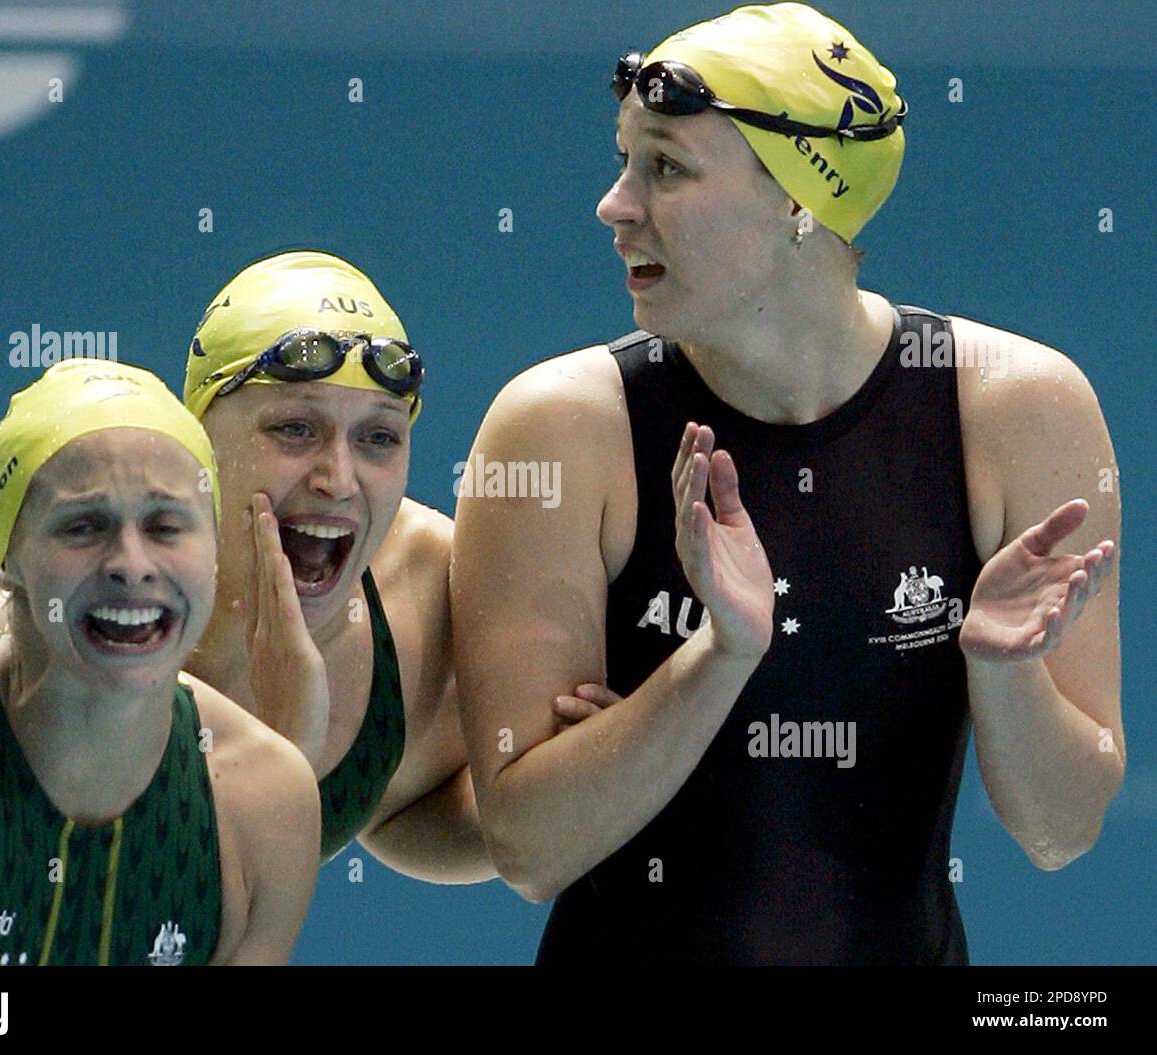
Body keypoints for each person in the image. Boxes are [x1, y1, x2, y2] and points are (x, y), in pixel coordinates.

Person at [449, 1, 1124, 964]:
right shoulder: (560, 429)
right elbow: (528, 848)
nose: (615, 204)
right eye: (624, 159)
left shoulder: (1016, 411)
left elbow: (1063, 831)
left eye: (667, 168)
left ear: (801, 204)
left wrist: (1006, 673)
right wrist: (720, 656)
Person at [0, 252, 498, 880]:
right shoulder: (40, 632)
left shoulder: (427, 591)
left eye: (379, 438)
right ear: (198, 437)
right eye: (294, 429)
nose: (338, 480)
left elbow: (436, 812)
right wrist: (286, 762)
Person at [0, 360, 319, 965]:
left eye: (166, 525)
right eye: (84, 526)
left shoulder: (266, 806)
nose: (132, 563)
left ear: (213, 558)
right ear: (8, 561)